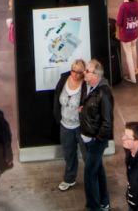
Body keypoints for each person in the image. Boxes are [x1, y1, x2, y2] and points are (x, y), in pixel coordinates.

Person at [79, 60, 116, 211]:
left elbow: (107, 123)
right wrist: (84, 109)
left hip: (95, 141)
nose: (84, 73)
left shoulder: (104, 92)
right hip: (88, 137)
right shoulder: (89, 86)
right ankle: (104, 201)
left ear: (95, 75)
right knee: (97, 170)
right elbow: (92, 107)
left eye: (87, 71)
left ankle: (94, 207)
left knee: (89, 176)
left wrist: (97, 140)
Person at [52, 59, 87, 193]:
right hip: (65, 125)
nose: (75, 75)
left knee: (87, 155)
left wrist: (85, 109)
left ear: (83, 73)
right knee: (69, 154)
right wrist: (57, 116)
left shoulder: (85, 85)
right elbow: (57, 97)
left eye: (79, 72)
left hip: (81, 126)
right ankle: (69, 178)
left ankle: (93, 179)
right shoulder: (63, 79)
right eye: (73, 71)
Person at [115, 0, 138, 82]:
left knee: (128, 54)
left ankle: (132, 78)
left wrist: (117, 33)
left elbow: (119, 22)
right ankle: (135, 70)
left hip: (125, 35)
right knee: (133, 49)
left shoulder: (123, 6)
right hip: (134, 33)